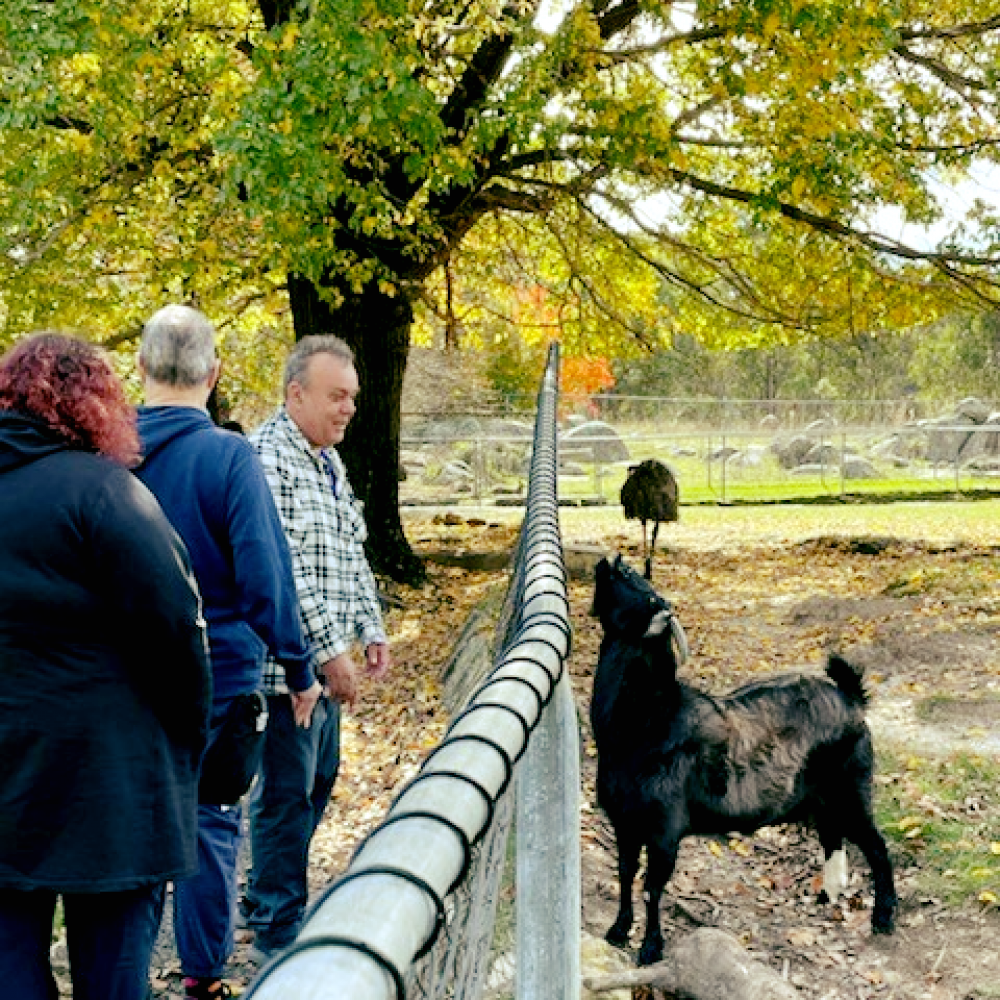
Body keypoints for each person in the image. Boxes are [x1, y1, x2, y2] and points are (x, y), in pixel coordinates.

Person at [0, 333, 212, 1000]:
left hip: (7, 778)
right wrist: (188, 735)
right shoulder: (106, 495)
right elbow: (176, 627)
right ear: (94, 403)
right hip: (112, 783)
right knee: (114, 979)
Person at [133, 305, 320, 1000]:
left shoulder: (107, 453)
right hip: (221, 674)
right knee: (213, 821)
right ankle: (203, 976)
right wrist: (298, 668)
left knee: (139, 822)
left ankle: (122, 971)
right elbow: (266, 577)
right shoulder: (228, 457)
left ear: (143, 368)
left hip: (128, 681)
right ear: (212, 375)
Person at [243, 334, 391, 960]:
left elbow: (349, 553)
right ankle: (275, 923)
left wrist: (372, 626)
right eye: (337, 396)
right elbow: (286, 569)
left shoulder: (329, 462)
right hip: (284, 669)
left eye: (353, 398)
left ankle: (272, 898)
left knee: (320, 778)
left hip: (322, 666)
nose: (349, 408)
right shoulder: (265, 459)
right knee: (286, 792)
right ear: (295, 393)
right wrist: (330, 655)